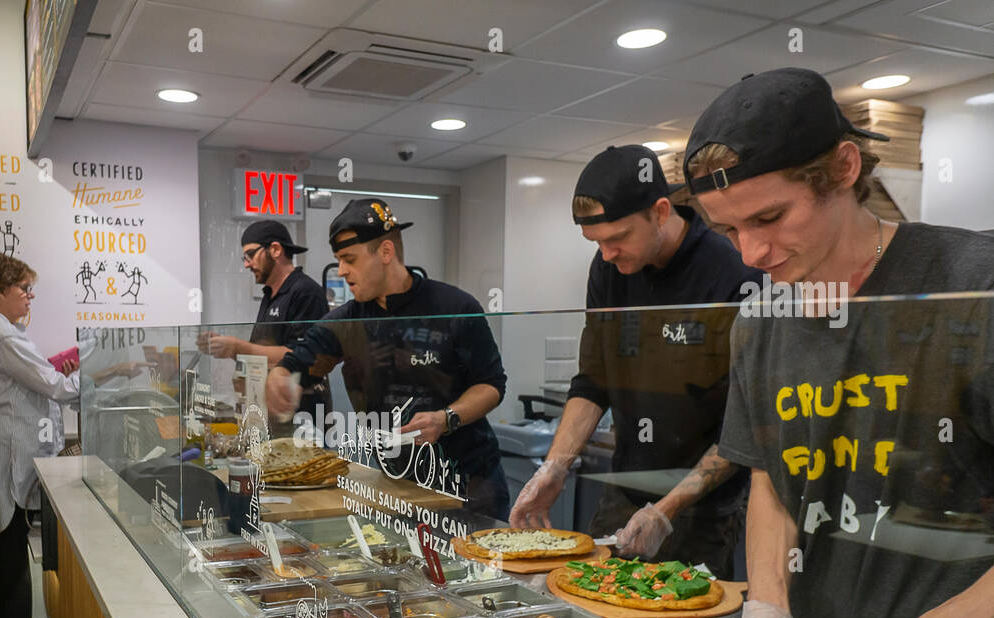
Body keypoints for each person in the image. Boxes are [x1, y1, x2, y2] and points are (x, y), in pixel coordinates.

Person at [684, 68, 994, 618]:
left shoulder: (974, 287)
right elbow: (771, 474)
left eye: (770, 217)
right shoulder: (760, 323)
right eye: (727, 229)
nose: (752, 253)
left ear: (844, 168)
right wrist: (766, 614)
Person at [509, 147, 762, 576]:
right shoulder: (608, 268)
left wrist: (665, 511)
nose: (606, 254)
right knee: (594, 608)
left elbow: (745, 422)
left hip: (702, 505)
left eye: (617, 238)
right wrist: (555, 466)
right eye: (596, 243)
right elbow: (593, 380)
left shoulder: (734, 274)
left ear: (660, 212)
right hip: (622, 487)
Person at [266, 198, 509, 519]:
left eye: (349, 259)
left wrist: (446, 418)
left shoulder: (454, 306)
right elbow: (297, 360)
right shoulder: (347, 320)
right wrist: (280, 375)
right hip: (397, 482)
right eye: (338, 260)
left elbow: (491, 385)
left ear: (385, 253)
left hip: (469, 483)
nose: (341, 271)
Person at [0, 254, 77, 618]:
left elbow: (32, 375)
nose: (30, 296)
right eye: (23, 289)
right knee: (11, 535)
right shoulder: (2, 332)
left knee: (6, 533)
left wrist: (62, 366)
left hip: (3, 441)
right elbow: (54, 387)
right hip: (8, 446)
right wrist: (93, 371)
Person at [198, 220, 331, 431]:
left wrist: (238, 347)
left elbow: (301, 356)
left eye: (250, 255)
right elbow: (261, 351)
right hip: (271, 414)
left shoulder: (305, 292)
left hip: (301, 416)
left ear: (275, 250)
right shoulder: (270, 295)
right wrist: (227, 348)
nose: (246, 264)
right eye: (245, 257)